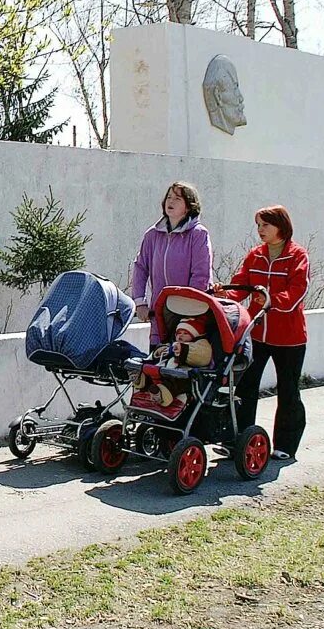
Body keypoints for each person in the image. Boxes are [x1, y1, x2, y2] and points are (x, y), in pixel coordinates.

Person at [215, 205, 310, 462]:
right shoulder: (255, 255)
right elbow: (240, 285)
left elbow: (297, 292)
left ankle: (285, 445)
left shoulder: (297, 255)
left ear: (281, 226)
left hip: (289, 338)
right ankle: (236, 441)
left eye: (265, 225)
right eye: (258, 225)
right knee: (244, 386)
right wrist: (225, 293)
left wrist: (270, 300)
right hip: (255, 333)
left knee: (288, 391)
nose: (260, 230)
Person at [130, 182, 213, 343]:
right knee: (158, 354)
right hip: (159, 313)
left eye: (177, 198)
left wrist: (188, 306)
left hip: (188, 316)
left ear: (188, 207)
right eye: (169, 197)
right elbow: (140, 267)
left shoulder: (198, 234)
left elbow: (201, 274)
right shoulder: (152, 235)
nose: (171, 201)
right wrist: (140, 303)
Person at [135, 316, 213, 407]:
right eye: (178, 333)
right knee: (149, 367)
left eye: (185, 333)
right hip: (165, 370)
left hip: (184, 373)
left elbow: (203, 356)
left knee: (177, 382)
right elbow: (163, 349)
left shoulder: (199, 344)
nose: (181, 335)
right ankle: (142, 381)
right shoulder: (173, 344)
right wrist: (159, 351)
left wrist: (184, 350)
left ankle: (162, 394)